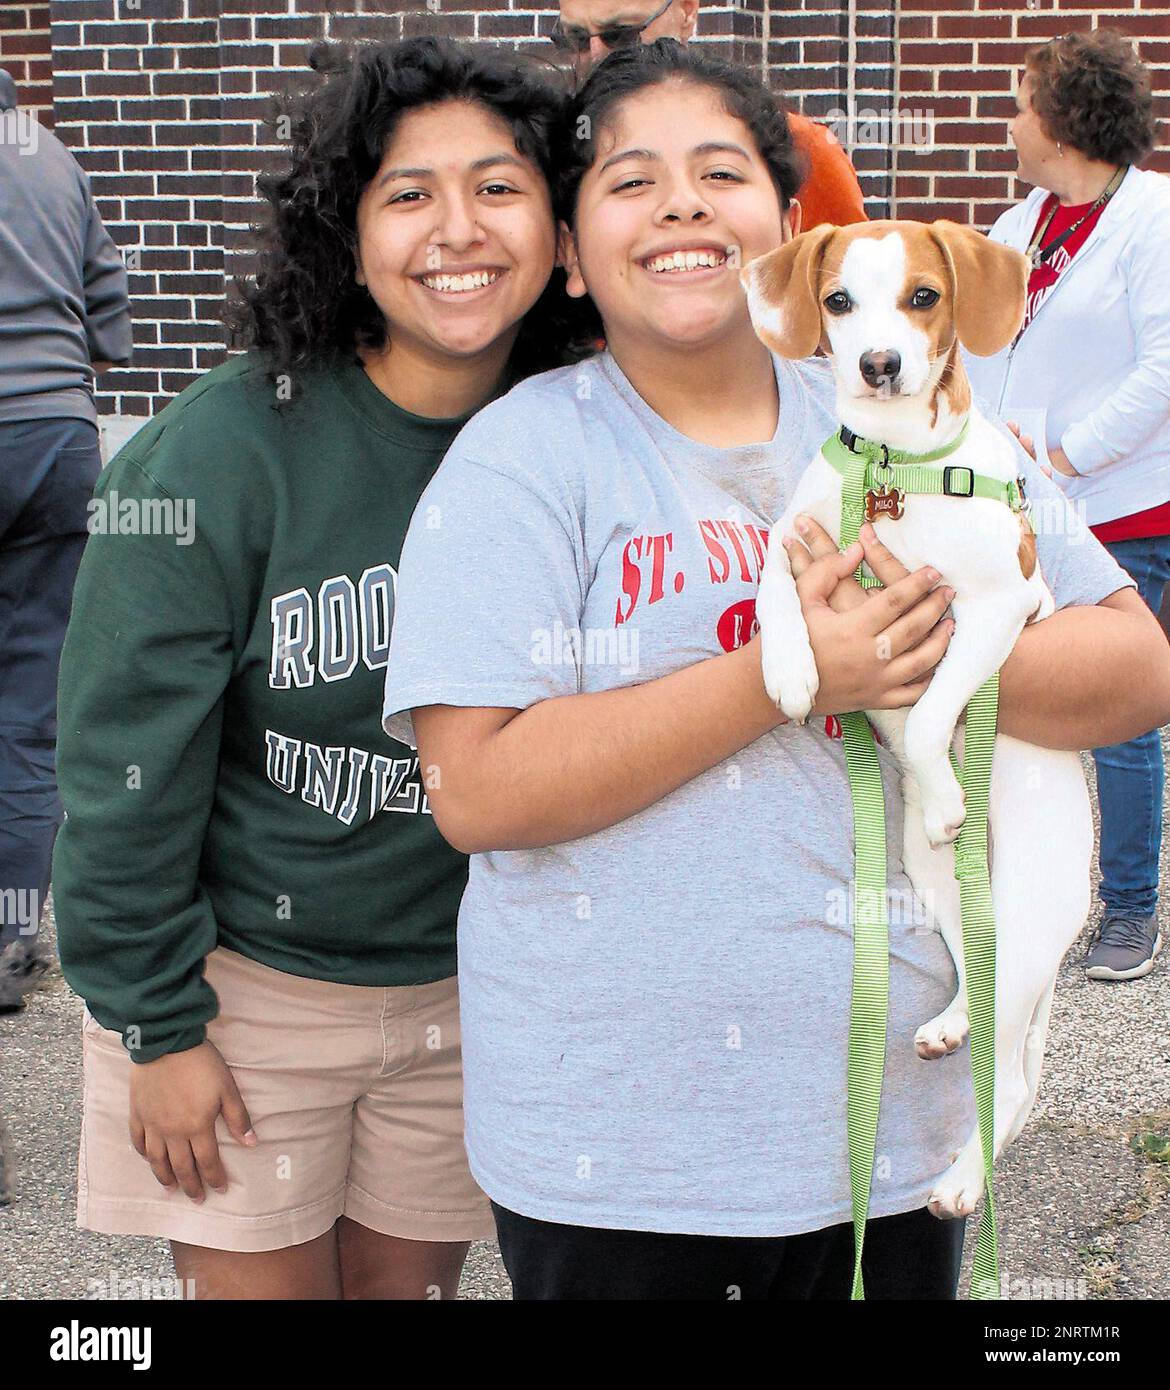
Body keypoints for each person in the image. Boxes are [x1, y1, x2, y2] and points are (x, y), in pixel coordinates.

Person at [382, 40, 1168, 1300]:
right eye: (631, 181)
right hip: (616, 1157)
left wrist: (909, 666)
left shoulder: (924, 421)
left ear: (796, 232)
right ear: (573, 255)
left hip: (883, 1133)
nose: (684, 203)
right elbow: (475, 791)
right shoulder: (520, 458)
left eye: (722, 171)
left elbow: (1137, 664)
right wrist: (784, 673)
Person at [52, 37, 566, 1300]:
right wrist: (154, 1024)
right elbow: (124, 769)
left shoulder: (580, 436)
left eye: (501, 187)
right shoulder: (217, 454)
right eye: (408, 193)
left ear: (560, 220)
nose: (460, 230)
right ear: (345, 228)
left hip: (466, 984)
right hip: (246, 998)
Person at [966, 30, 1170, 983]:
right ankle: (1018, 894)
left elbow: (1164, 368)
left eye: (1018, 101)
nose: (1008, 121)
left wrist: (1065, 453)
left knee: (1121, 721)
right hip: (1025, 509)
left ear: (1064, 118)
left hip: (1124, 507)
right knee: (1014, 697)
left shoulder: (1154, 217)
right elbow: (984, 346)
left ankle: (1129, 910)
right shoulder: (1022, 225)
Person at [0, 69, 131, 1015]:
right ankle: (11, 934)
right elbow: (110, 323)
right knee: (31, 693)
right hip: (55, 441)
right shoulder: (50, 154)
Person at [551, 0, 867, 229]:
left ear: (687, 11)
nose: (596, 55)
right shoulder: (554, 144)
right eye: (576, 39)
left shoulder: (800, 147)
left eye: (621, 34)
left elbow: (848, 291)